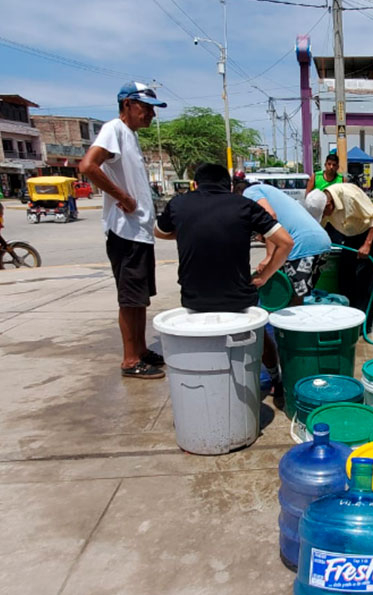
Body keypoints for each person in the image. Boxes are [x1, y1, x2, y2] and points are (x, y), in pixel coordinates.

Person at [79, 82, 168, 379]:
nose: (151, 115)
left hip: (138, 232)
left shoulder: (129, 135)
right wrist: (124, 197)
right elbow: (88, 166)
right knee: (129, 298)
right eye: (146, 107)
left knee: (139, 297)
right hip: (125, 232)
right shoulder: (114, 129)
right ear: (128, 104)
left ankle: (141, 350)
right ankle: (130, 360)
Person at [235, 173, 332, 394]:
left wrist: (269, 259)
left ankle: (292, 364)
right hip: (319, 242)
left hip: (303, 247)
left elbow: (270, 217)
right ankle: (295, 361)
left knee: (291, 309)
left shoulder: (250, 193)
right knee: (294, 304)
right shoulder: (268, 191)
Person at [154, 164, 293, 313]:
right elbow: (286, 243)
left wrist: (187, 231)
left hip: (193, 300)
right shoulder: (246, 206)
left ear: (195, 185)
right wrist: (264, 277)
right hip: (239, 300)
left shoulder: (178, 203)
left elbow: (158, 232)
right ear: (230, 186)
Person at [303, 183, 373, 331]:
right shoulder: (321, 201)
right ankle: (349, 321)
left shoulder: (350, 197)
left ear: (329, 204)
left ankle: (363, 325)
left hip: (369, 232)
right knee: (346, 276)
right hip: (350, 234)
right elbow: (319, 228)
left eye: (325, 213)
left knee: (364, 280)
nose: (325, 216)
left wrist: (367, 244)